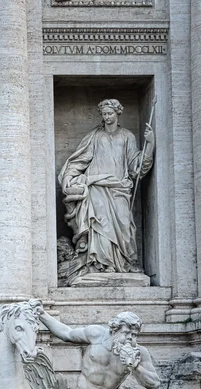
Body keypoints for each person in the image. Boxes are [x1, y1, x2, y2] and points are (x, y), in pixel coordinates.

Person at [58, 99, 154, 279]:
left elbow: (136, 166)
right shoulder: (95, 136)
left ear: (118, 113)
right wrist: (69, 176)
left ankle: (125, 263)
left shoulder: (127, 136)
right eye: (104, 114)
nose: (107, 117)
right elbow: (81, 160)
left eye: (110, 113)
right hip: (97, 188)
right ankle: (102, 264)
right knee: (100, 225)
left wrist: (150, 145)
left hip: (119, 188)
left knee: (124, 226)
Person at [38, 310, 161, 389]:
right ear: (114, 331)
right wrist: (42, 315)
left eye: (134, 335)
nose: (130, 338)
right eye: (125, 333)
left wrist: (136, 367)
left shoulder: (140, 353)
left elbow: (155, 384)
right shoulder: (96, 335)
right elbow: (66, 333)